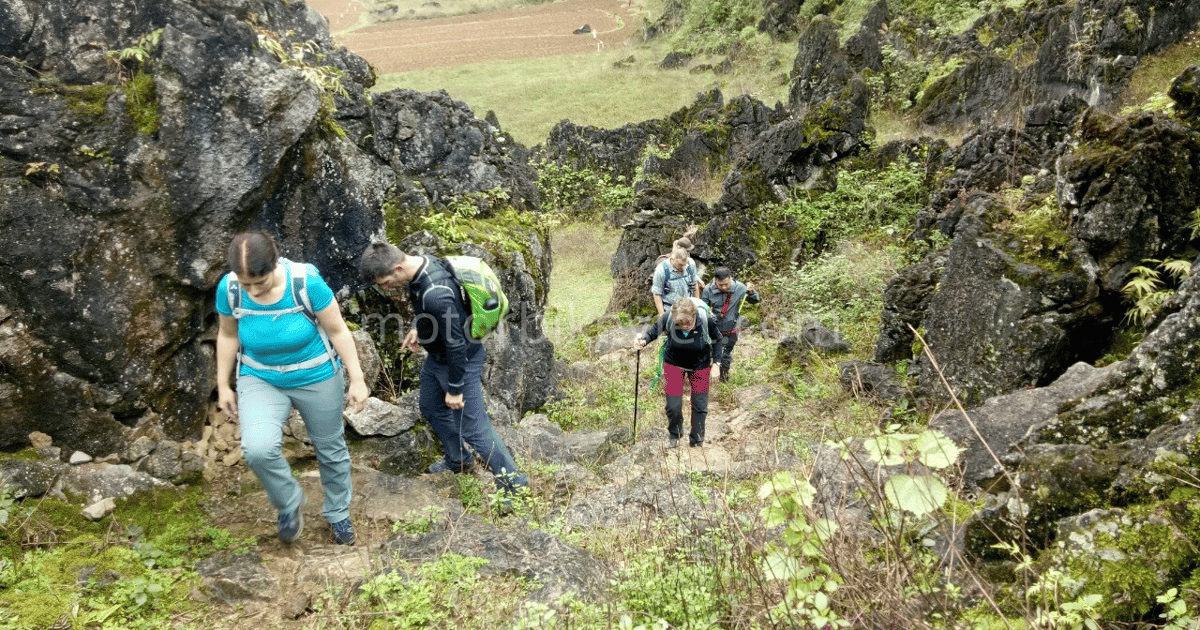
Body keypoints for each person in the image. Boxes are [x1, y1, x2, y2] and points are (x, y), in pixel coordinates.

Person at [215, 232, 368, 545]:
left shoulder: (306, 283)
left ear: (275, 264)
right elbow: (228, 335)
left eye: (260, 282)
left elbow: (338, 330)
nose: (253, 290)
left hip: (316, 375)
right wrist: (223, 385)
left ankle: (338, 512)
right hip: (260, 377)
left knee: (330, 448)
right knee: (257, 448)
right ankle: (289, 502)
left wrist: (357, 378)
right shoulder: (229, 289)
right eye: (246, 284)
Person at [359, 242, 529, 497]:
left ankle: (514, 484)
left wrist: (455, 389)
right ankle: (458, 460)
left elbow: (456, 344)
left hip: (459, 362)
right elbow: (435, 311)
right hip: (437, 359)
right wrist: (419, 328)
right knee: (430, 406)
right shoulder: (421, 265)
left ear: (397, 268)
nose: (385, 288)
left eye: (385, 282)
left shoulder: (436, 294)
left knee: (474, 429)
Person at [634, 297, 721, 448]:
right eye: (679, 324)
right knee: (672, 406)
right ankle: (675, 434)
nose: (684, 326)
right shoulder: (668, 318)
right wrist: (643, 341)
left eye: (687, 323)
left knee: (700, 404)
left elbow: (718, 339)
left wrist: (716, 364)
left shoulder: (705, 319)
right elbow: (653, 332)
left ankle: (697, 440)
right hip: (673, 363)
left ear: (694, 315)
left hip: (700, 365)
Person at [701, 267, 760, 383]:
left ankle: (723, 380)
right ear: (715, 280)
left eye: (726, 284)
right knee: (710, 353)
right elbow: (703, 308)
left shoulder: (740, 287)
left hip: (731, 328)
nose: (723, 287)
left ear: (730, 278)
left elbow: (755, 300)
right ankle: (707, 378)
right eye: (720, 285)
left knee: (725, 355)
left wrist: (752, 292)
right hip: (714, 329)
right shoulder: (708, 289)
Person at [650, 246, 701, 316]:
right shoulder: (661, 270)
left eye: (685, 264)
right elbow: (657, 294)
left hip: (688, 308)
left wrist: (697, 305)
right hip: (671, 310)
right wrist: (662, 315)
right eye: (680, 265)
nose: (683, 268)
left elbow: (694, 284)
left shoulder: (691, 264)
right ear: (672, 259)